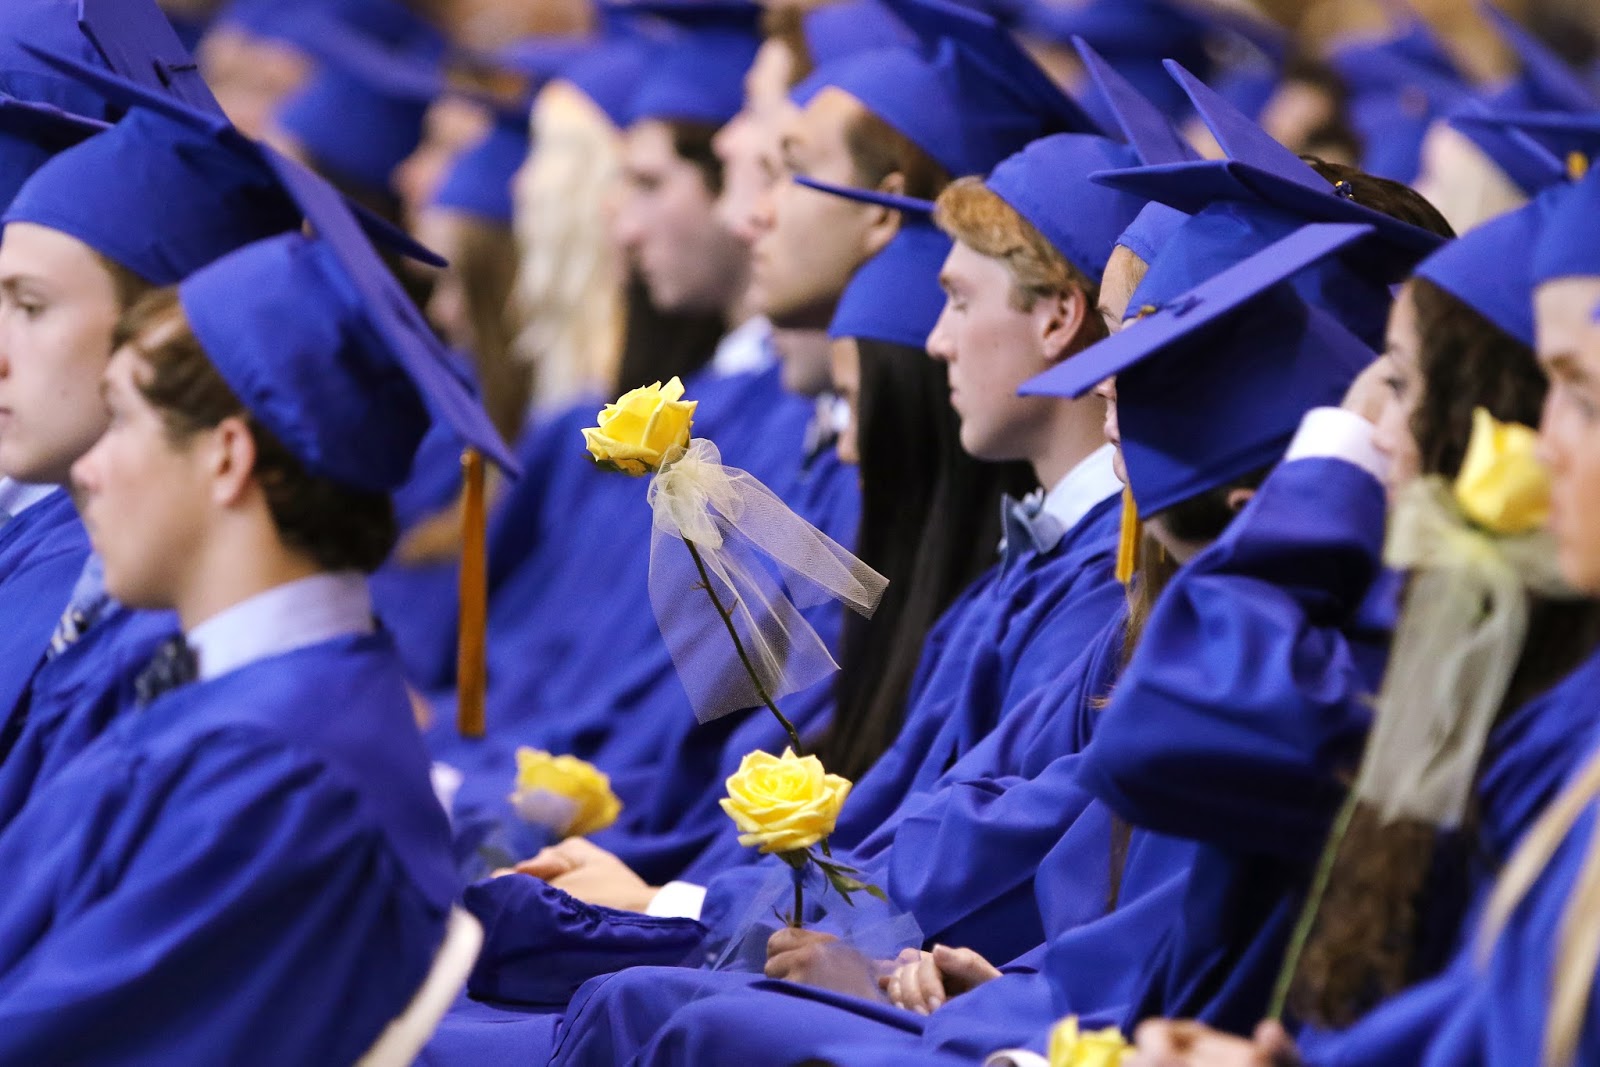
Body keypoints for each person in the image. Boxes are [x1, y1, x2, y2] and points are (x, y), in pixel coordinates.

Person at [0, 119, 514, 1061]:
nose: (91, 471)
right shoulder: (248, 709)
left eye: (122, 421)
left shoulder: (277, 777)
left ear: (229, 457)